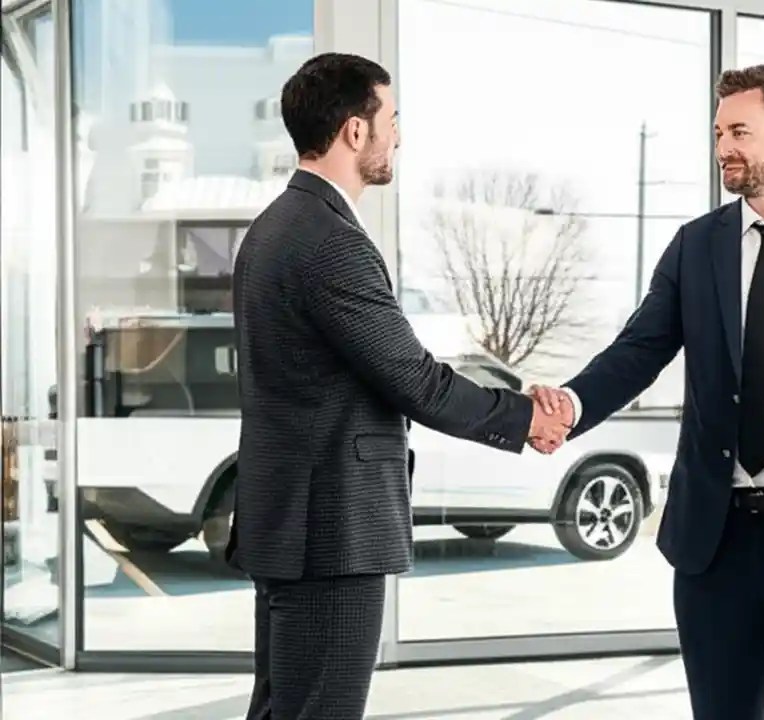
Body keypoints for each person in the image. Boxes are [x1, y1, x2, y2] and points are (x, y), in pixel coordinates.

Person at [529, 65, 764, 719]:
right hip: (714, 544)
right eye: (717, 133)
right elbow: (638, 351)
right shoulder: (695, 247)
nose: (723, 148)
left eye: (740, 131)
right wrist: (570, 405)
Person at [227, 52, 571, 719]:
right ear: (356, 131)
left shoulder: (274, 228)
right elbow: (413, 378)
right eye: (392, 118)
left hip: (292, 524)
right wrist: (525, 416)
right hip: (329, 530)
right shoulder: (327, 240)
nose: (399, 136)